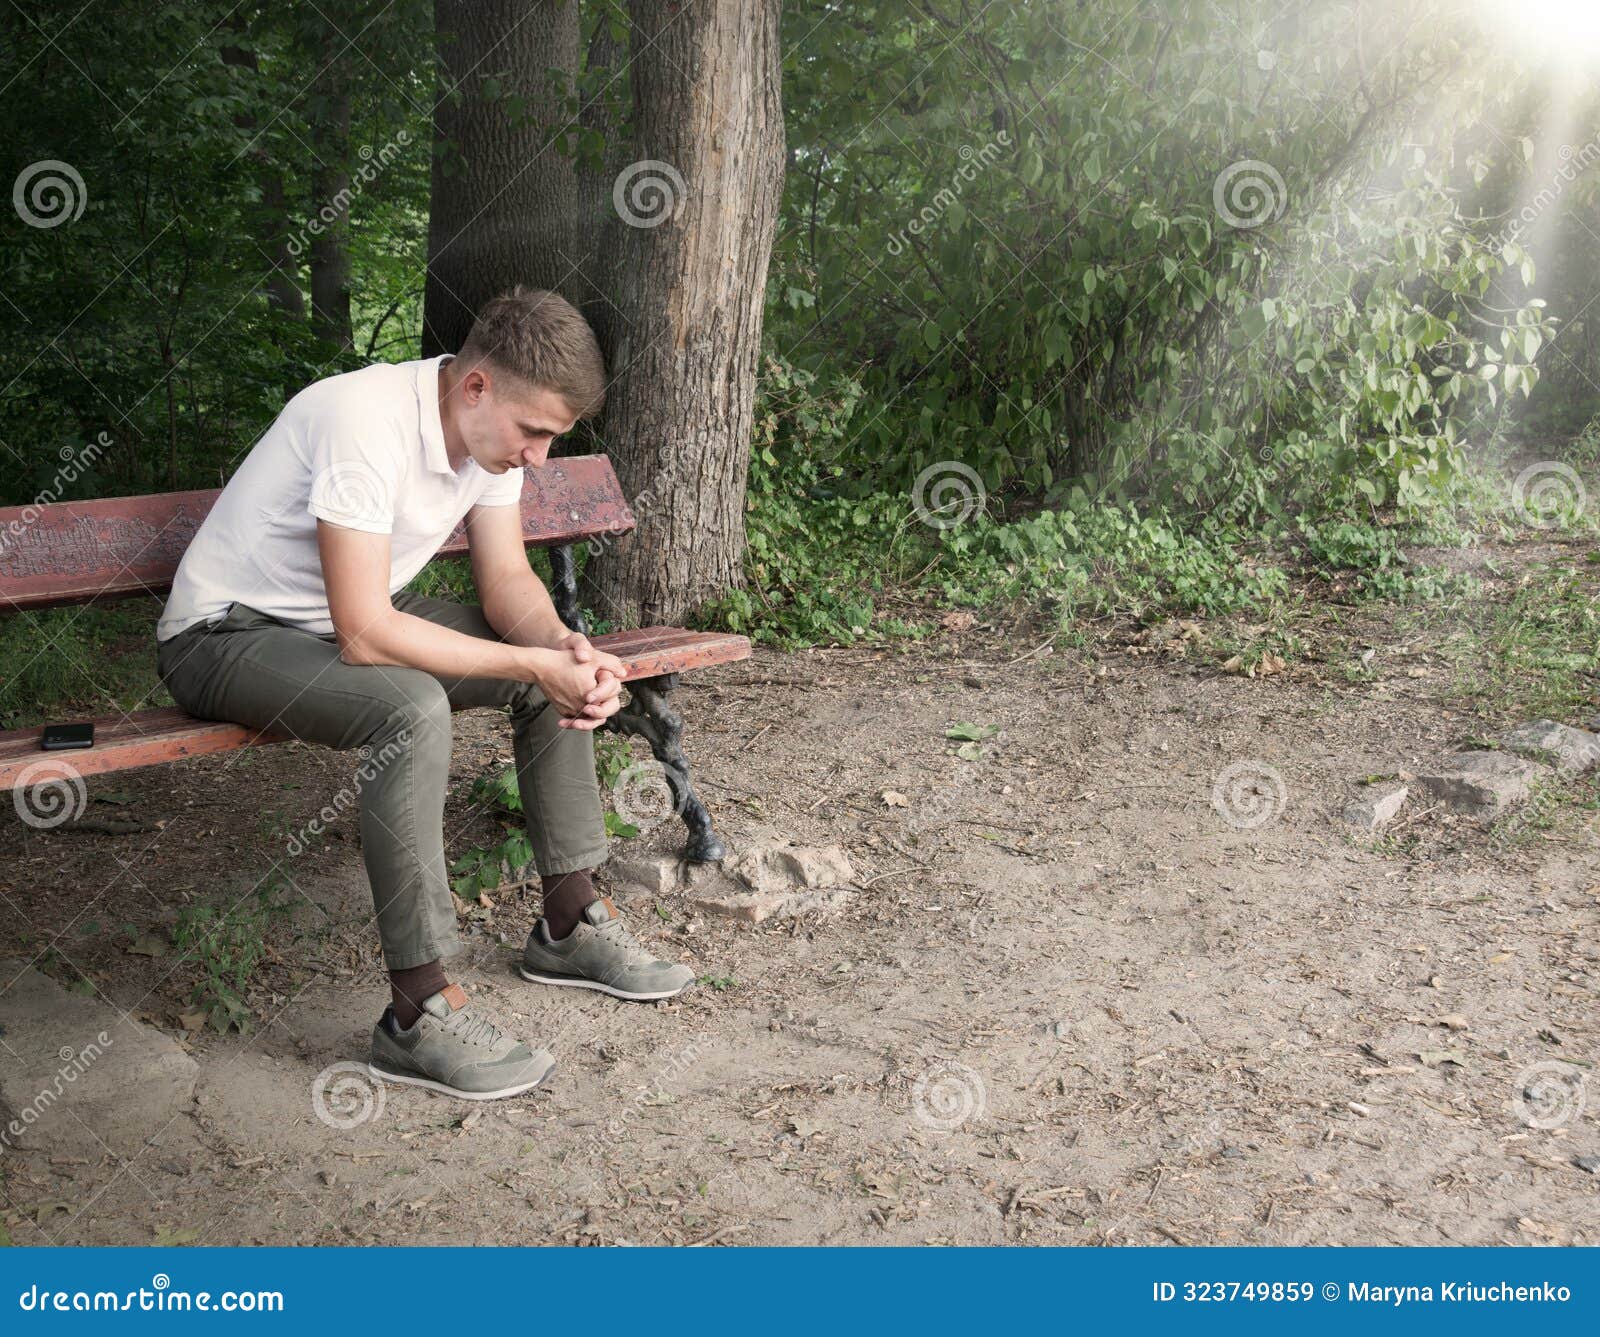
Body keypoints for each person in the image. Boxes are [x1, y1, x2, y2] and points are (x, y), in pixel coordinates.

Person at [154, 287, 693, 1102]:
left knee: (545, 662)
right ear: (476, 386)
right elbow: (367, 633)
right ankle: (417, 1011)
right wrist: (529, 664)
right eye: (535, 432)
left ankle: (569, 924)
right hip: (223, 636)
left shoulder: (486, 442)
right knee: (409, 712)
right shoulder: (361, 419)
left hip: (331, 620)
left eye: (554, 438)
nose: (540, 457)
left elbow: (508, 578)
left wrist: (556, 648)